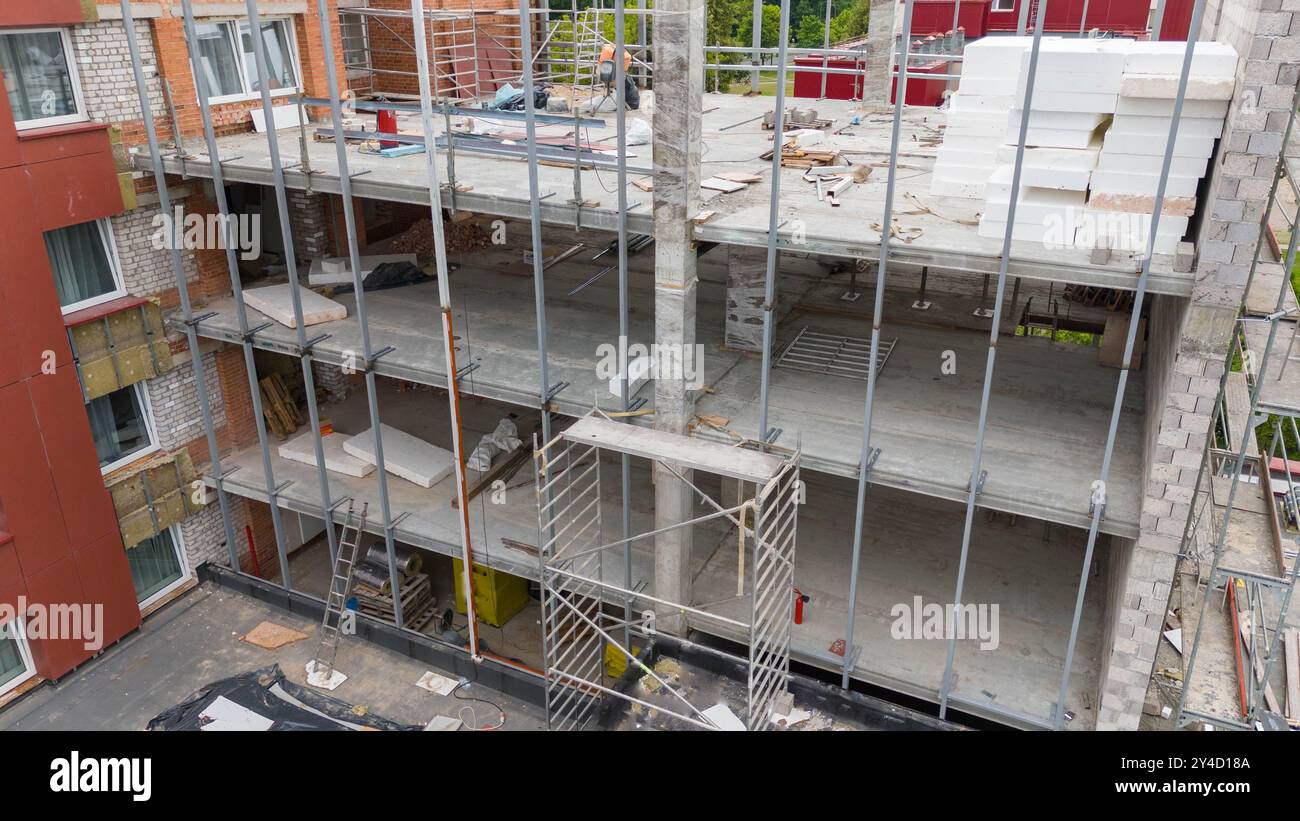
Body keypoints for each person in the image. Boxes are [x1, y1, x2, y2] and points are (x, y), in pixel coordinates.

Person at [598, 42, 639, 110]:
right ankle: (626, 103)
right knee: (627, 82)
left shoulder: (607, 49)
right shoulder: (626, 56)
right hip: (616, 78)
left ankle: (624, 103)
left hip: (605, 75)